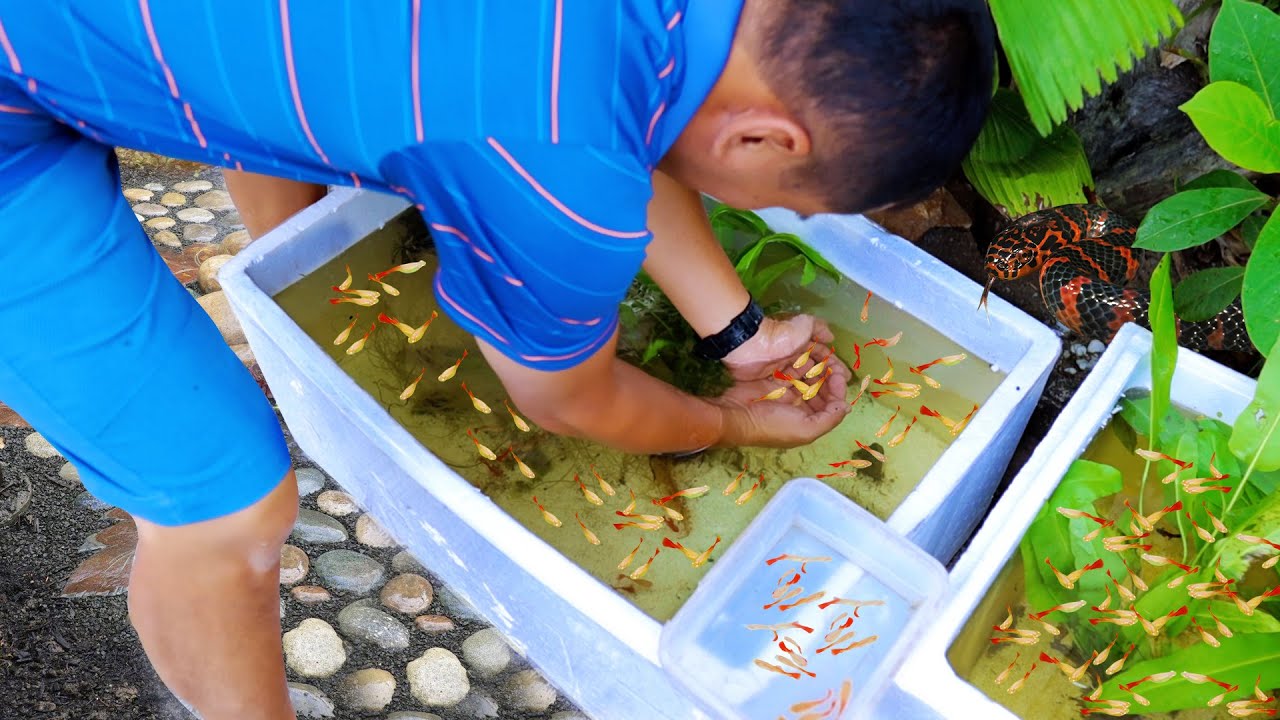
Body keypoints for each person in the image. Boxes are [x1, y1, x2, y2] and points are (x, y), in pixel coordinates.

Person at [0, 1, 993, 718]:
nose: (770, 218)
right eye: (786, 202)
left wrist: (737, 331)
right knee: (226, 504)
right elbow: (566, 398)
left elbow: (636, 111)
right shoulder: (555, 173)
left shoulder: (686, 42)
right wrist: (738, 423)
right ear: (768, 135)